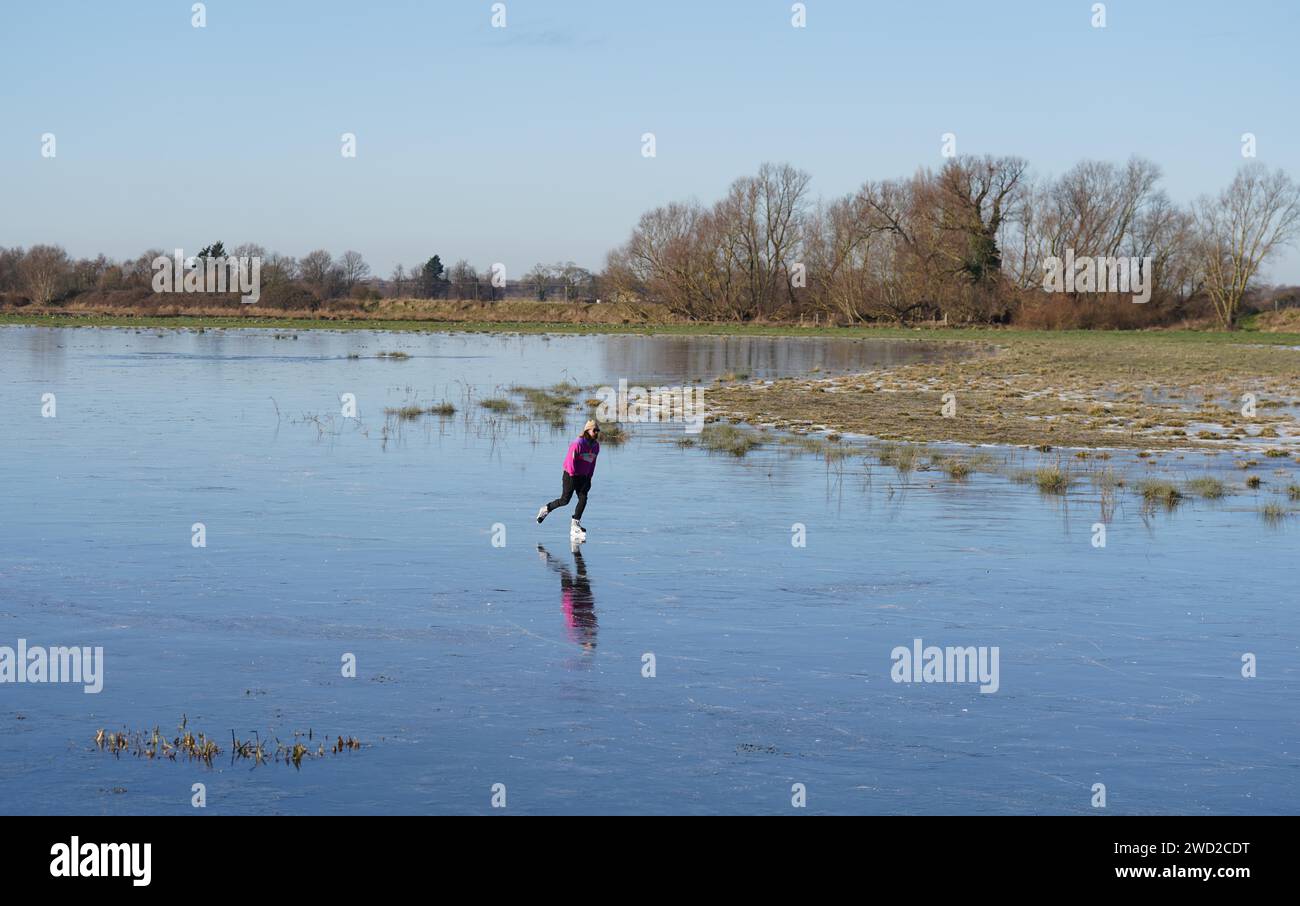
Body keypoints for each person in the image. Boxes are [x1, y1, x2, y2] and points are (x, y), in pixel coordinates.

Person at [537, 419, 600, 540]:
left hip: (584, 476)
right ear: (587, 430)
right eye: (594, 430)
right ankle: (546, 509)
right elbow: (570, 460)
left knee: (583, 498)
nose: (596, 432)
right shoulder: (578, 443)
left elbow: (593, 462)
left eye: (598, 430)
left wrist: (589, 476)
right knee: (565, 500)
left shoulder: (596, 446)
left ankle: (575, 525)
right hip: (570, 474)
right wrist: (572, 475)